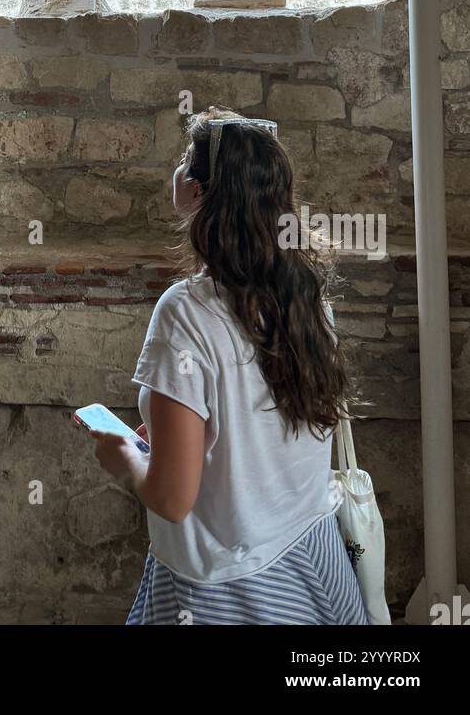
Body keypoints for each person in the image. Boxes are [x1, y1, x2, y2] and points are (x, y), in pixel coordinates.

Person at [90, 106, 370, 625]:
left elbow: (172, 500)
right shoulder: (307, 296)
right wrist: (176, 437)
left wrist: (125, 457)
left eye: (183, 160)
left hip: (231, 593)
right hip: (316, 565)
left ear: (197, 191)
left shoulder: (185, 313)